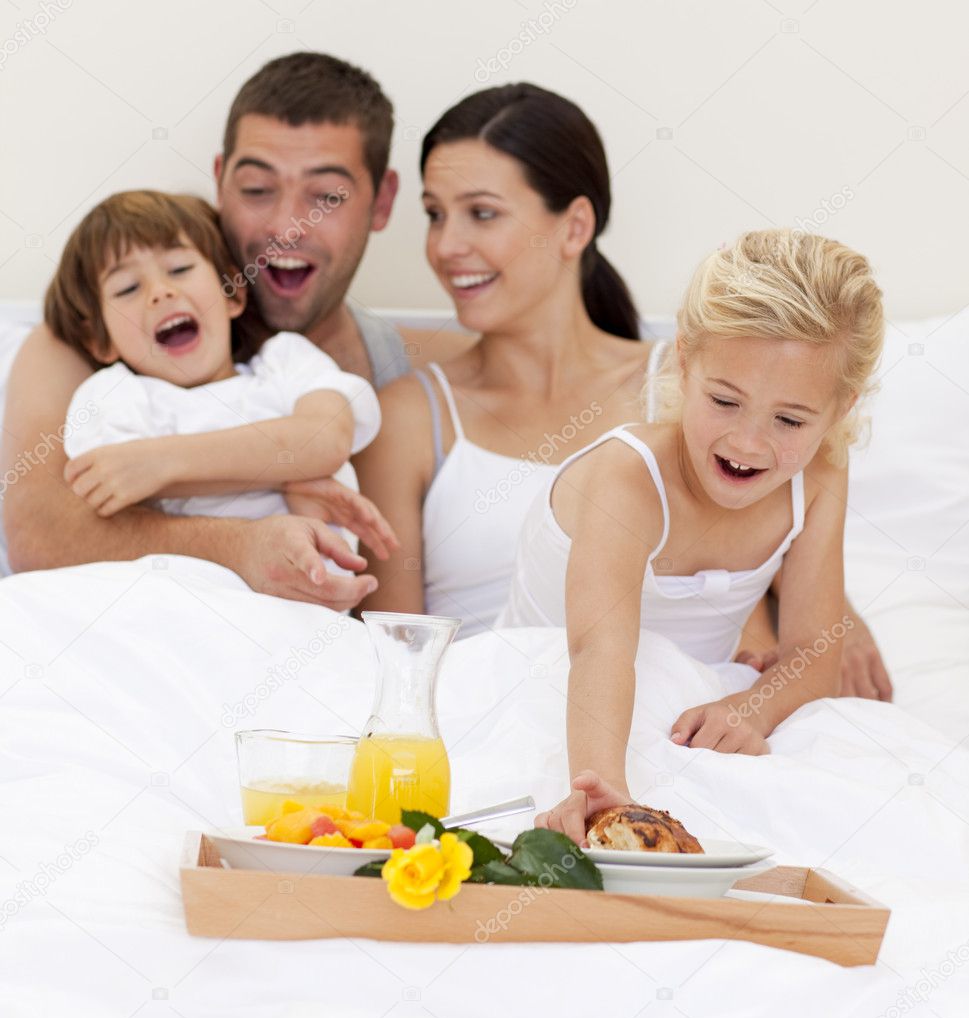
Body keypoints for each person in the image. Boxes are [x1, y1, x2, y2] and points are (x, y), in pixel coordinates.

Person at [0, 51, 462, 607]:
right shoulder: (88, 349)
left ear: (383, 201)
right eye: (257, 189)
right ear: (220, 182)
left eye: (327, 196)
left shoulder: (385, 363)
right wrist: (245, 543)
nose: (288, 228)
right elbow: (44, 535)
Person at [500, 229, 885, 844]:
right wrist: (600, 788)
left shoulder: (819, 477)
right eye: (725, 401)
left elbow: (815, 650)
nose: (748, 442)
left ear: (840, 409)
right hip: (563, 702)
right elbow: (600, 651)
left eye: (789, 419)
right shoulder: (630, 477)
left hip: (690, 709)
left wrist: (752, 707)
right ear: (684, 360)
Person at [355, 83, 656, 638]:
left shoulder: (681, 390)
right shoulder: (407, 419)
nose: (445, 246)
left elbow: (740, 617)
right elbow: (399, 663)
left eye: (482, 213)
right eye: (435, 214)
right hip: (476, 717)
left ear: (574, 227)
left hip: (667, 715)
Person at [47, 190, 384, 589]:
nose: (160, 292)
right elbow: (113, 482)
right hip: (171, 608)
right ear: (99, 342)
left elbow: (324, 439)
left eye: (178, 268)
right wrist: (286, 473)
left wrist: (161, 462)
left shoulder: (286, 362)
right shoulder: (116, 394)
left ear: (234, 292)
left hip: (300, 612)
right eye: (127, 289)